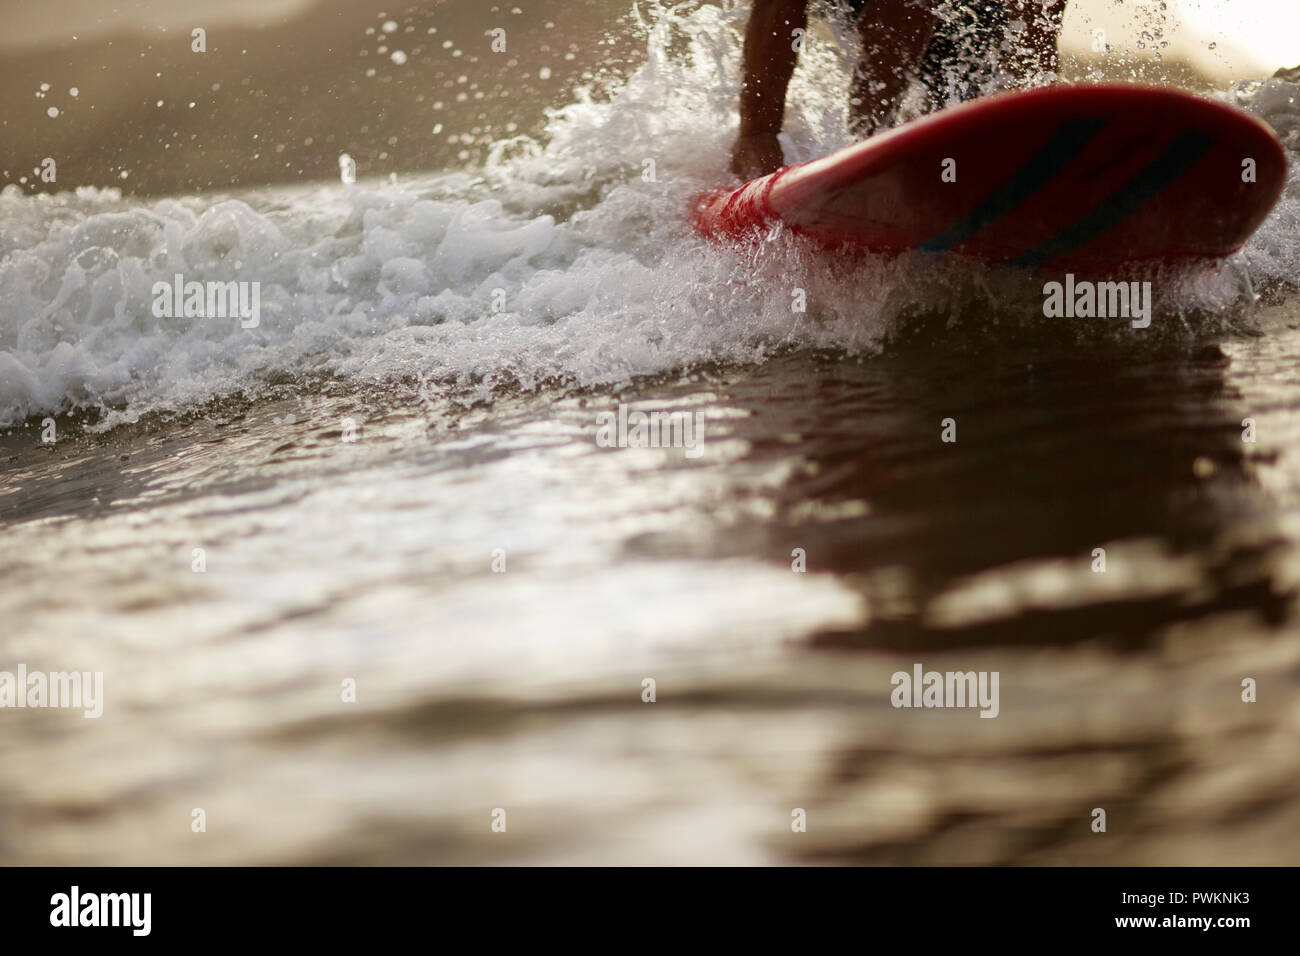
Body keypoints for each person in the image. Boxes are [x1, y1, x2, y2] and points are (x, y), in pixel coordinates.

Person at [732, 0, 1069, 179]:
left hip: (974, 34)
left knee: (955, 150)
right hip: (881, 16)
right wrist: (758, 134)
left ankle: (876, 145)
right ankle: (866, 149)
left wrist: (1037, 145)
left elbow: (1036, 38)